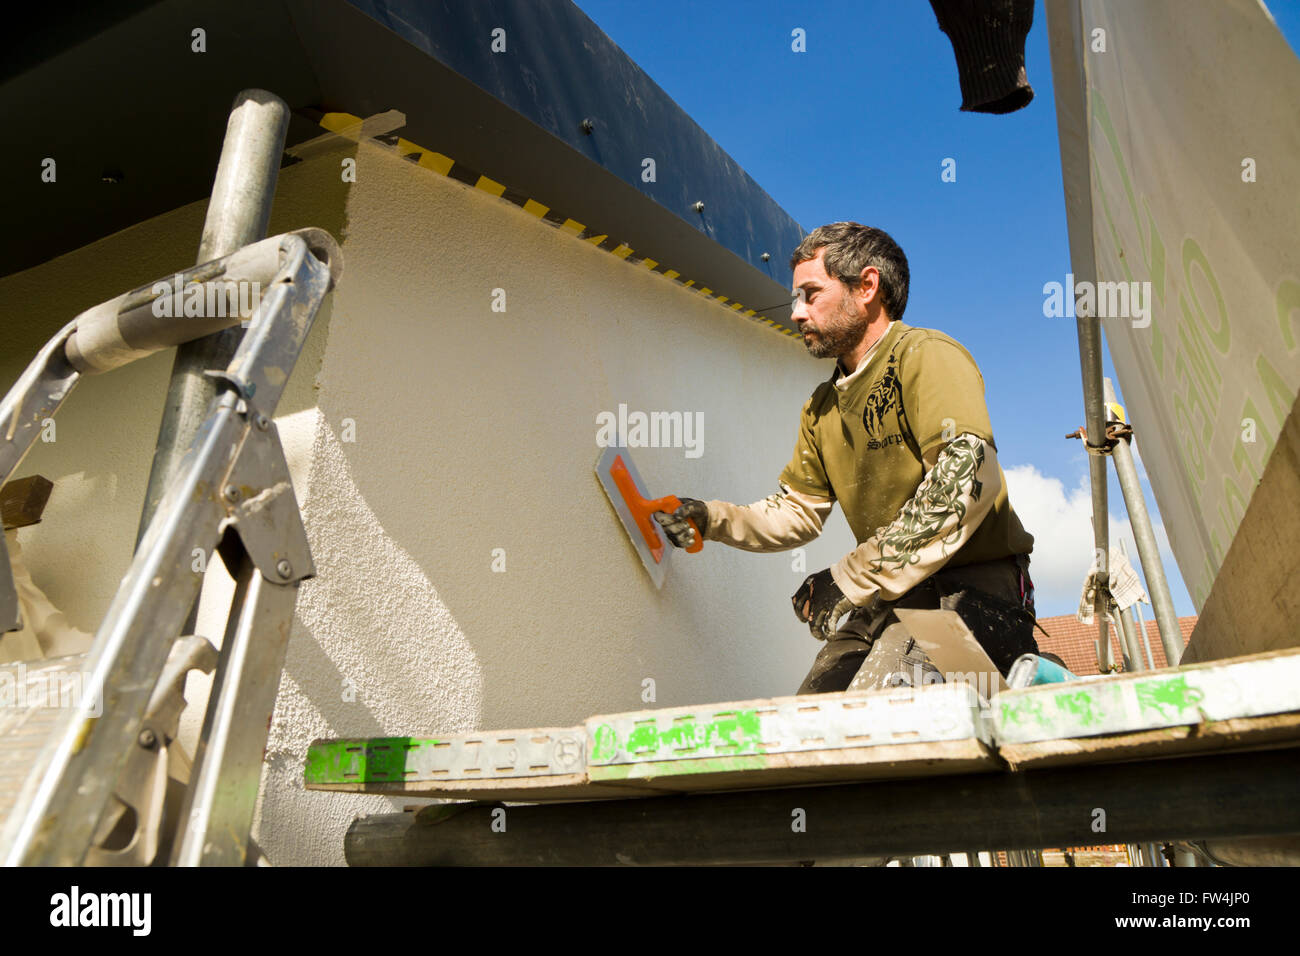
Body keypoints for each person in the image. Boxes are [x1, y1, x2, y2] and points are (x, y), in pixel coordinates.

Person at [653, 222, 1039, 694]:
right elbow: (796, 511)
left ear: (867, 286)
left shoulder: (926, 355)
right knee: (808, 723)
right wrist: (711, 518)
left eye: (810, 294)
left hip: (973, 595)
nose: (796, 312)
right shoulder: (821, 408)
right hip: (888, 600)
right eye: (795, 298)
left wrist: (848, 577)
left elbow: (964, 482)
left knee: (874, 719)